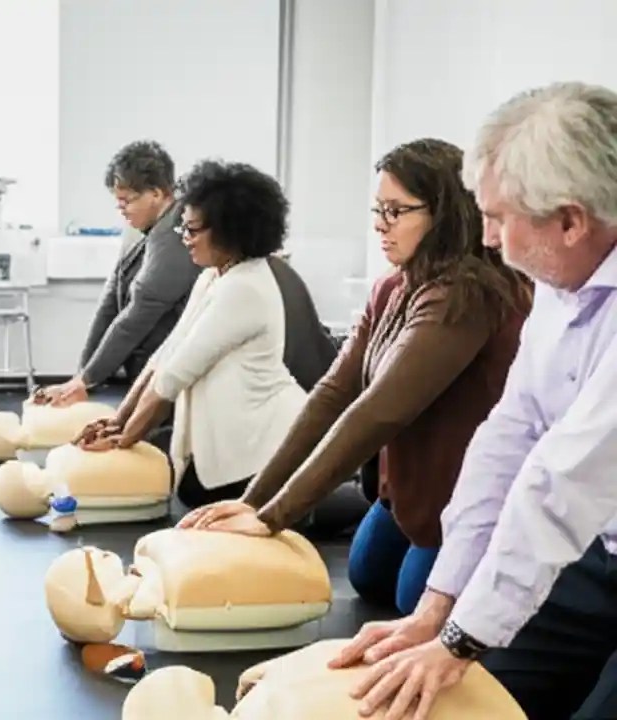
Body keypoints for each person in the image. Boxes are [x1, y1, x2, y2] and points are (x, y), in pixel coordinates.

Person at [330, 82, 617, 720]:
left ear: (570, 220)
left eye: (497, 218)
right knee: (469, 697)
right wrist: (441, 608)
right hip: (598, 547)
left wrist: (461, 638)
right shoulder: (562, 276)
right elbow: (510, 437)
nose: (486, 238)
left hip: (581, 513)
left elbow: (563, 480)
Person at [180, 138, 532, 616]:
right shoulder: (393, 285)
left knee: (411, 599)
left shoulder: (467, 296)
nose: (379, 226)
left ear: (445, 214)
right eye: (377, 210)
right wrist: (253, 501)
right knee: (368, 577)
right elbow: (334, 392)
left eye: (395, 211)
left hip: (461, 499)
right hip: (407, 489)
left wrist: (274, 517)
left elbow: (379, 412)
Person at [76, 160, 307, 509]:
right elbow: (164, 356)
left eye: (193, 230)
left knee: (213, 497)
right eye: (183, 227)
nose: (185, 239)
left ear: (231, 230)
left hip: (267, 448)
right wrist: (117, 421)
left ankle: (330, 489)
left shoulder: (245, 288)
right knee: (193, 492)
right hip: (240, 445)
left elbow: (174, 375)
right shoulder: (214, 276)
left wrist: (123, 440)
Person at [36, 140, 200, 407]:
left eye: (126, 200)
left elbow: (138, 314)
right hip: (148, 373)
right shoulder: (142, 229)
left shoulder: (175, 235)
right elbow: (111, 301)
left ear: (156, 194)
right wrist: (81, 378)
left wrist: (87, 379)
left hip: (175, 378)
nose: (121, 208)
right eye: (117, 201)